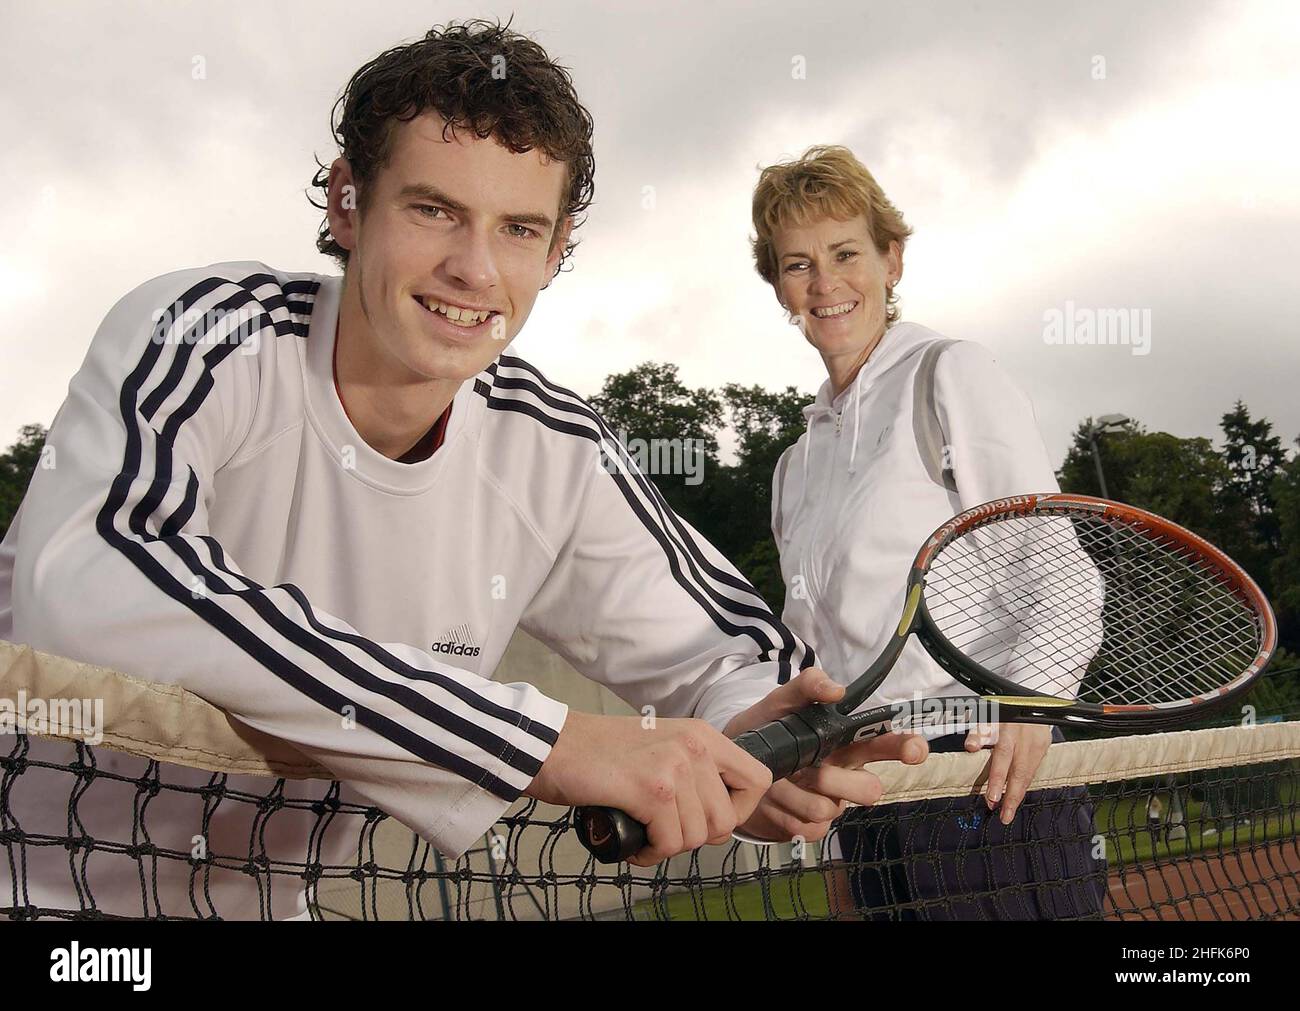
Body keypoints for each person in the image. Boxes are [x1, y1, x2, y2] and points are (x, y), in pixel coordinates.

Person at [0, 23, 924, 919]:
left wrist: (747, 736)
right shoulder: (208, 331)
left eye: (519, 228)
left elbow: (724, 655)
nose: (474, 269)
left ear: (556, 251)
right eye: (434, 209)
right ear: (346, 202)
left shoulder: (551, 446)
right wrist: (539, 743)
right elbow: (91, 582)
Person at [751, 145, 1104, 919]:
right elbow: (813, 653)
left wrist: (1033, 710)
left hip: (984, 776)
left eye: (846, 253)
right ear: (778, 286)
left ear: (892, 258)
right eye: (797, 264)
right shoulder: (795, 465)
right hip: (874, 790)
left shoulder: (949, 374)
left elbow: (1058, 570)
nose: (825, 283)